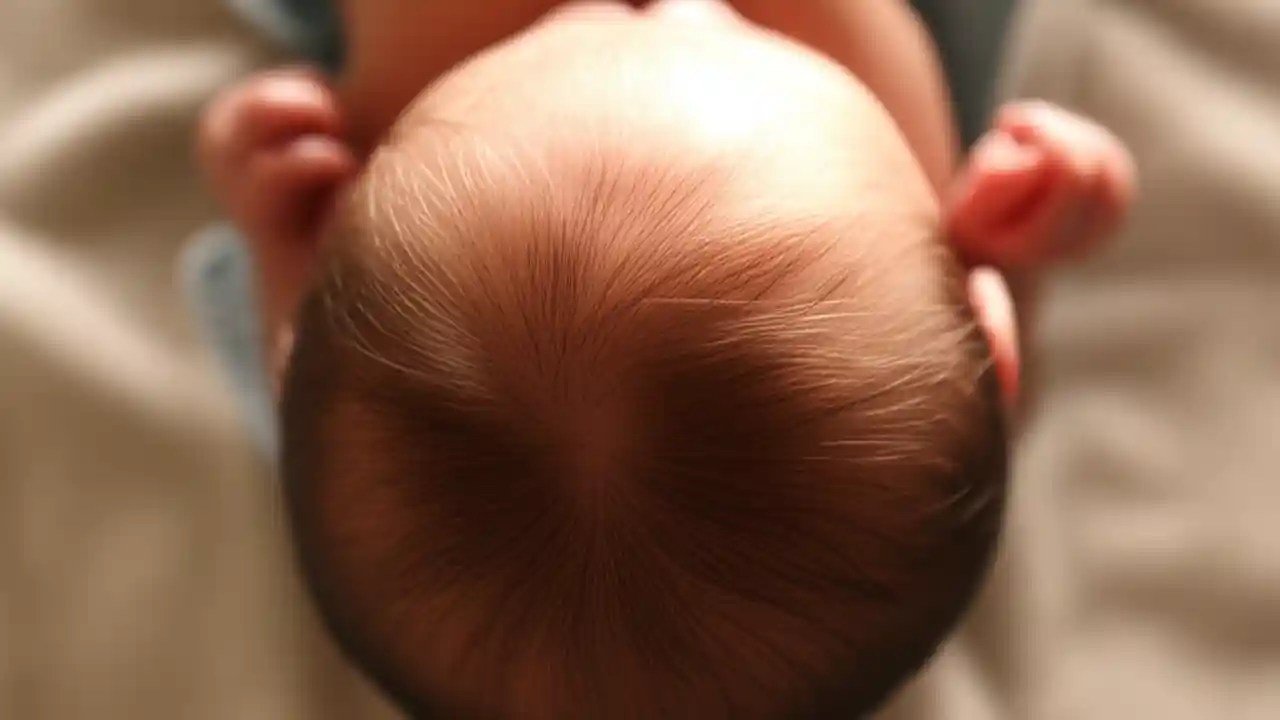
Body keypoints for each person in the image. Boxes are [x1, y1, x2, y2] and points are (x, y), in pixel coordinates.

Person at [193, 1, 1133, 717]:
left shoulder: (367, 426)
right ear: (983, 323)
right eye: (736, 26)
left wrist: (279, 232)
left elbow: (297, 359)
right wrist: (1042, 218)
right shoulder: (904, 423)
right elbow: (981, 385)